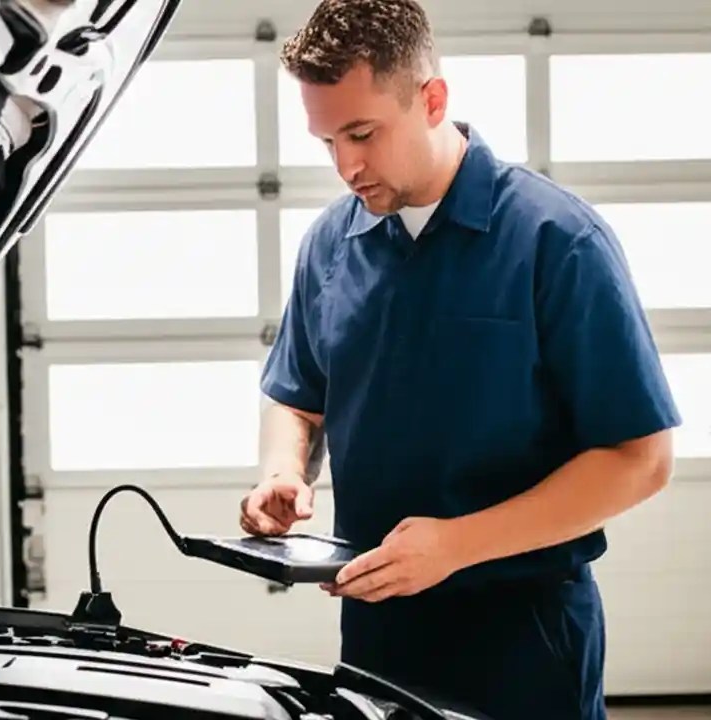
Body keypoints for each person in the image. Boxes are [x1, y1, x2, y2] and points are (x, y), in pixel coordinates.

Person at [239, 1, 681, 718]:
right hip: (376, 630)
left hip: (523, 640)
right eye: (327, 142)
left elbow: (641, 457)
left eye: (363, 133)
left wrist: (457, 545)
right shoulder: (329, 241)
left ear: (432, 99)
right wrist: (283, 471)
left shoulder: (557, 240)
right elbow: (296, 394)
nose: (347, 166)